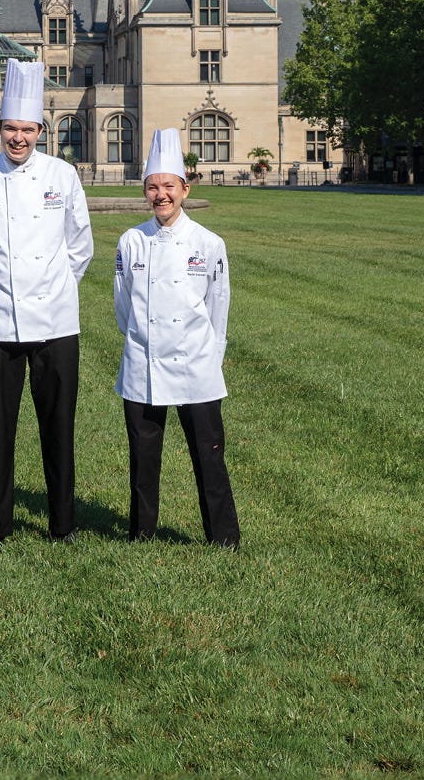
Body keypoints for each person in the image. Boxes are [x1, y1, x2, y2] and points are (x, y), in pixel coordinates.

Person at [0, 58, 93, 545]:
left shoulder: (63, 176)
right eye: (10, 128)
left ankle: (63, 525)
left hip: (56, 322)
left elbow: (80, 246)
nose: (18, 138)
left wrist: (57, 286)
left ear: (40, 132)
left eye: (27, 130)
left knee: (59, 428)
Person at [113, 129, 239, 546]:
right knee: (142, 458)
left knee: (209, 456)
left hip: (196, 366)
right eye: (153, 187)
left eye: (169, 186)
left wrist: (210, 357)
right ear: (144, 192)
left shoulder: (209, 243)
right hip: (143, 363)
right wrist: (142, 341)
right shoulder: (131, 241)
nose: (161, 195)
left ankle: (223, 538)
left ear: (185, 189)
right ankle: (142, 534)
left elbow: (218, 307)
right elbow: (123, 306)